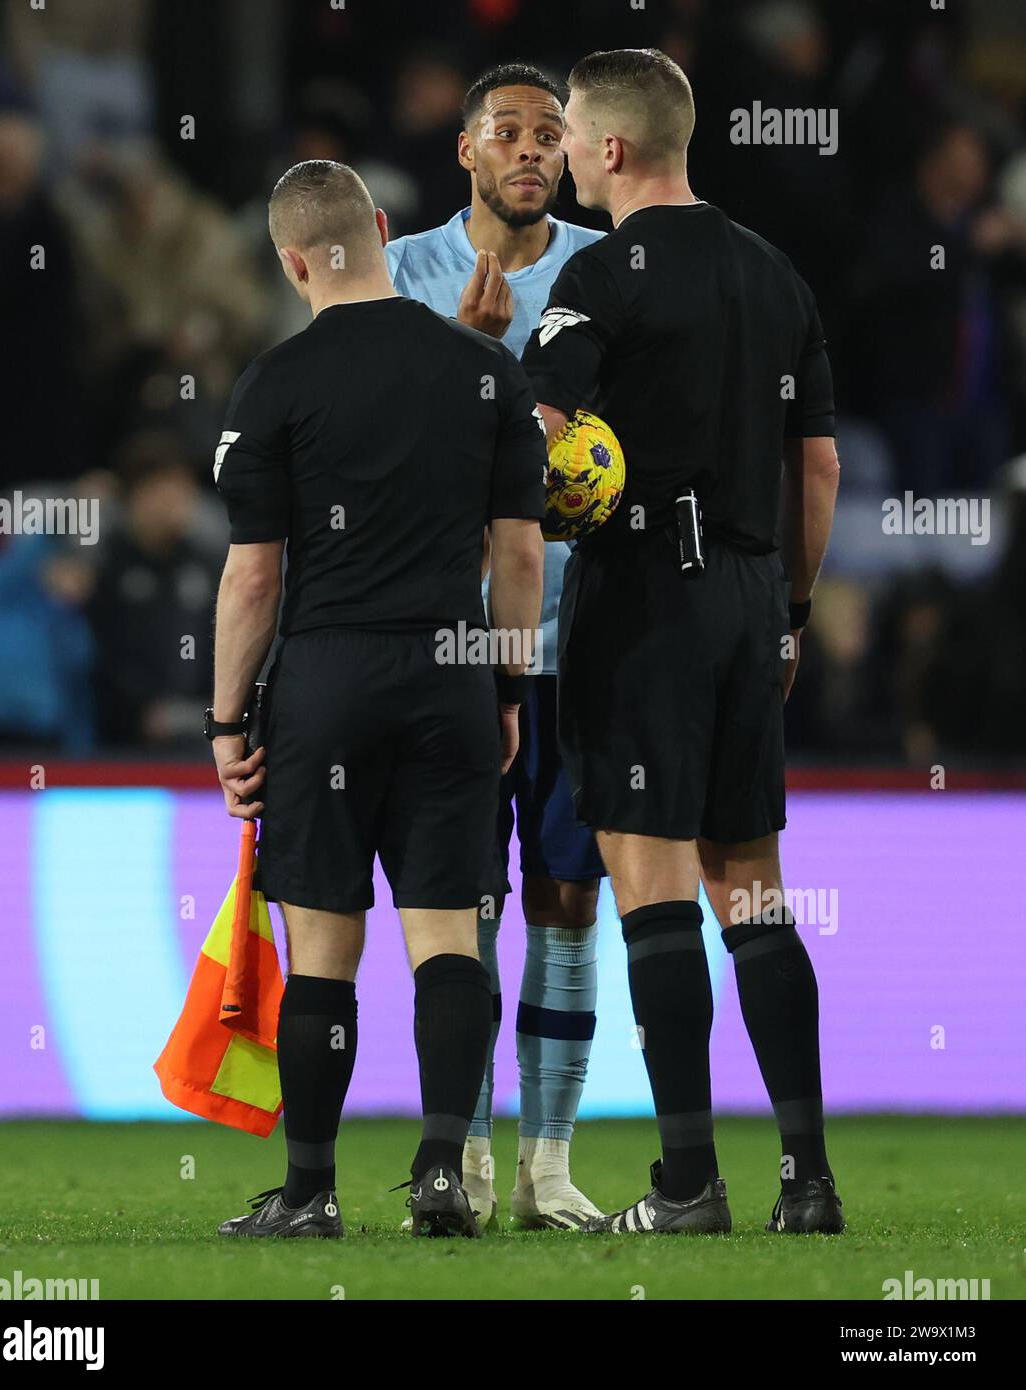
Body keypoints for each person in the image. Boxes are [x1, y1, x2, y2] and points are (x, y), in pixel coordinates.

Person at [521, 48, 844, 1236]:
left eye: (564, 136)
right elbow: (819, 468)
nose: (559, 156)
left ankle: (684, 1185)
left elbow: (539, 431)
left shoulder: (602, 277)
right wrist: (792, 610)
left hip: (646, 596)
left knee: (650, 884)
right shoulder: (775, 277)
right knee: (748, 886)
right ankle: (806, 1181)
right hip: (754, 595)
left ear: (608, 148)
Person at [209, 160, 546, 1238]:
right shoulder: (484, 373)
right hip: (449, 675)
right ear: (386, 231)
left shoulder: (271, 384)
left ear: (292, 261)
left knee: (324, 950)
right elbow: (520, 552)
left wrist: (224, 722)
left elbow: (253, 578)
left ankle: (308, 1192)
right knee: (448, 935)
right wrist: (504, 684)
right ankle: (443, 1170)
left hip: (324, 682)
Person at [385, 62, 606, 1231]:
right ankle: (463, 1158)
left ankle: (550, 1163)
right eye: (506, 132)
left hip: (582, 641)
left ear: (572, 155)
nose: (529, 150)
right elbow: (377, 453)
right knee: (458, 906)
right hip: (447, 648)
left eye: (548, 135)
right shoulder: (402, 276)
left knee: (567, 895)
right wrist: (472, 363)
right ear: (463, 149)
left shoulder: (606, 271)